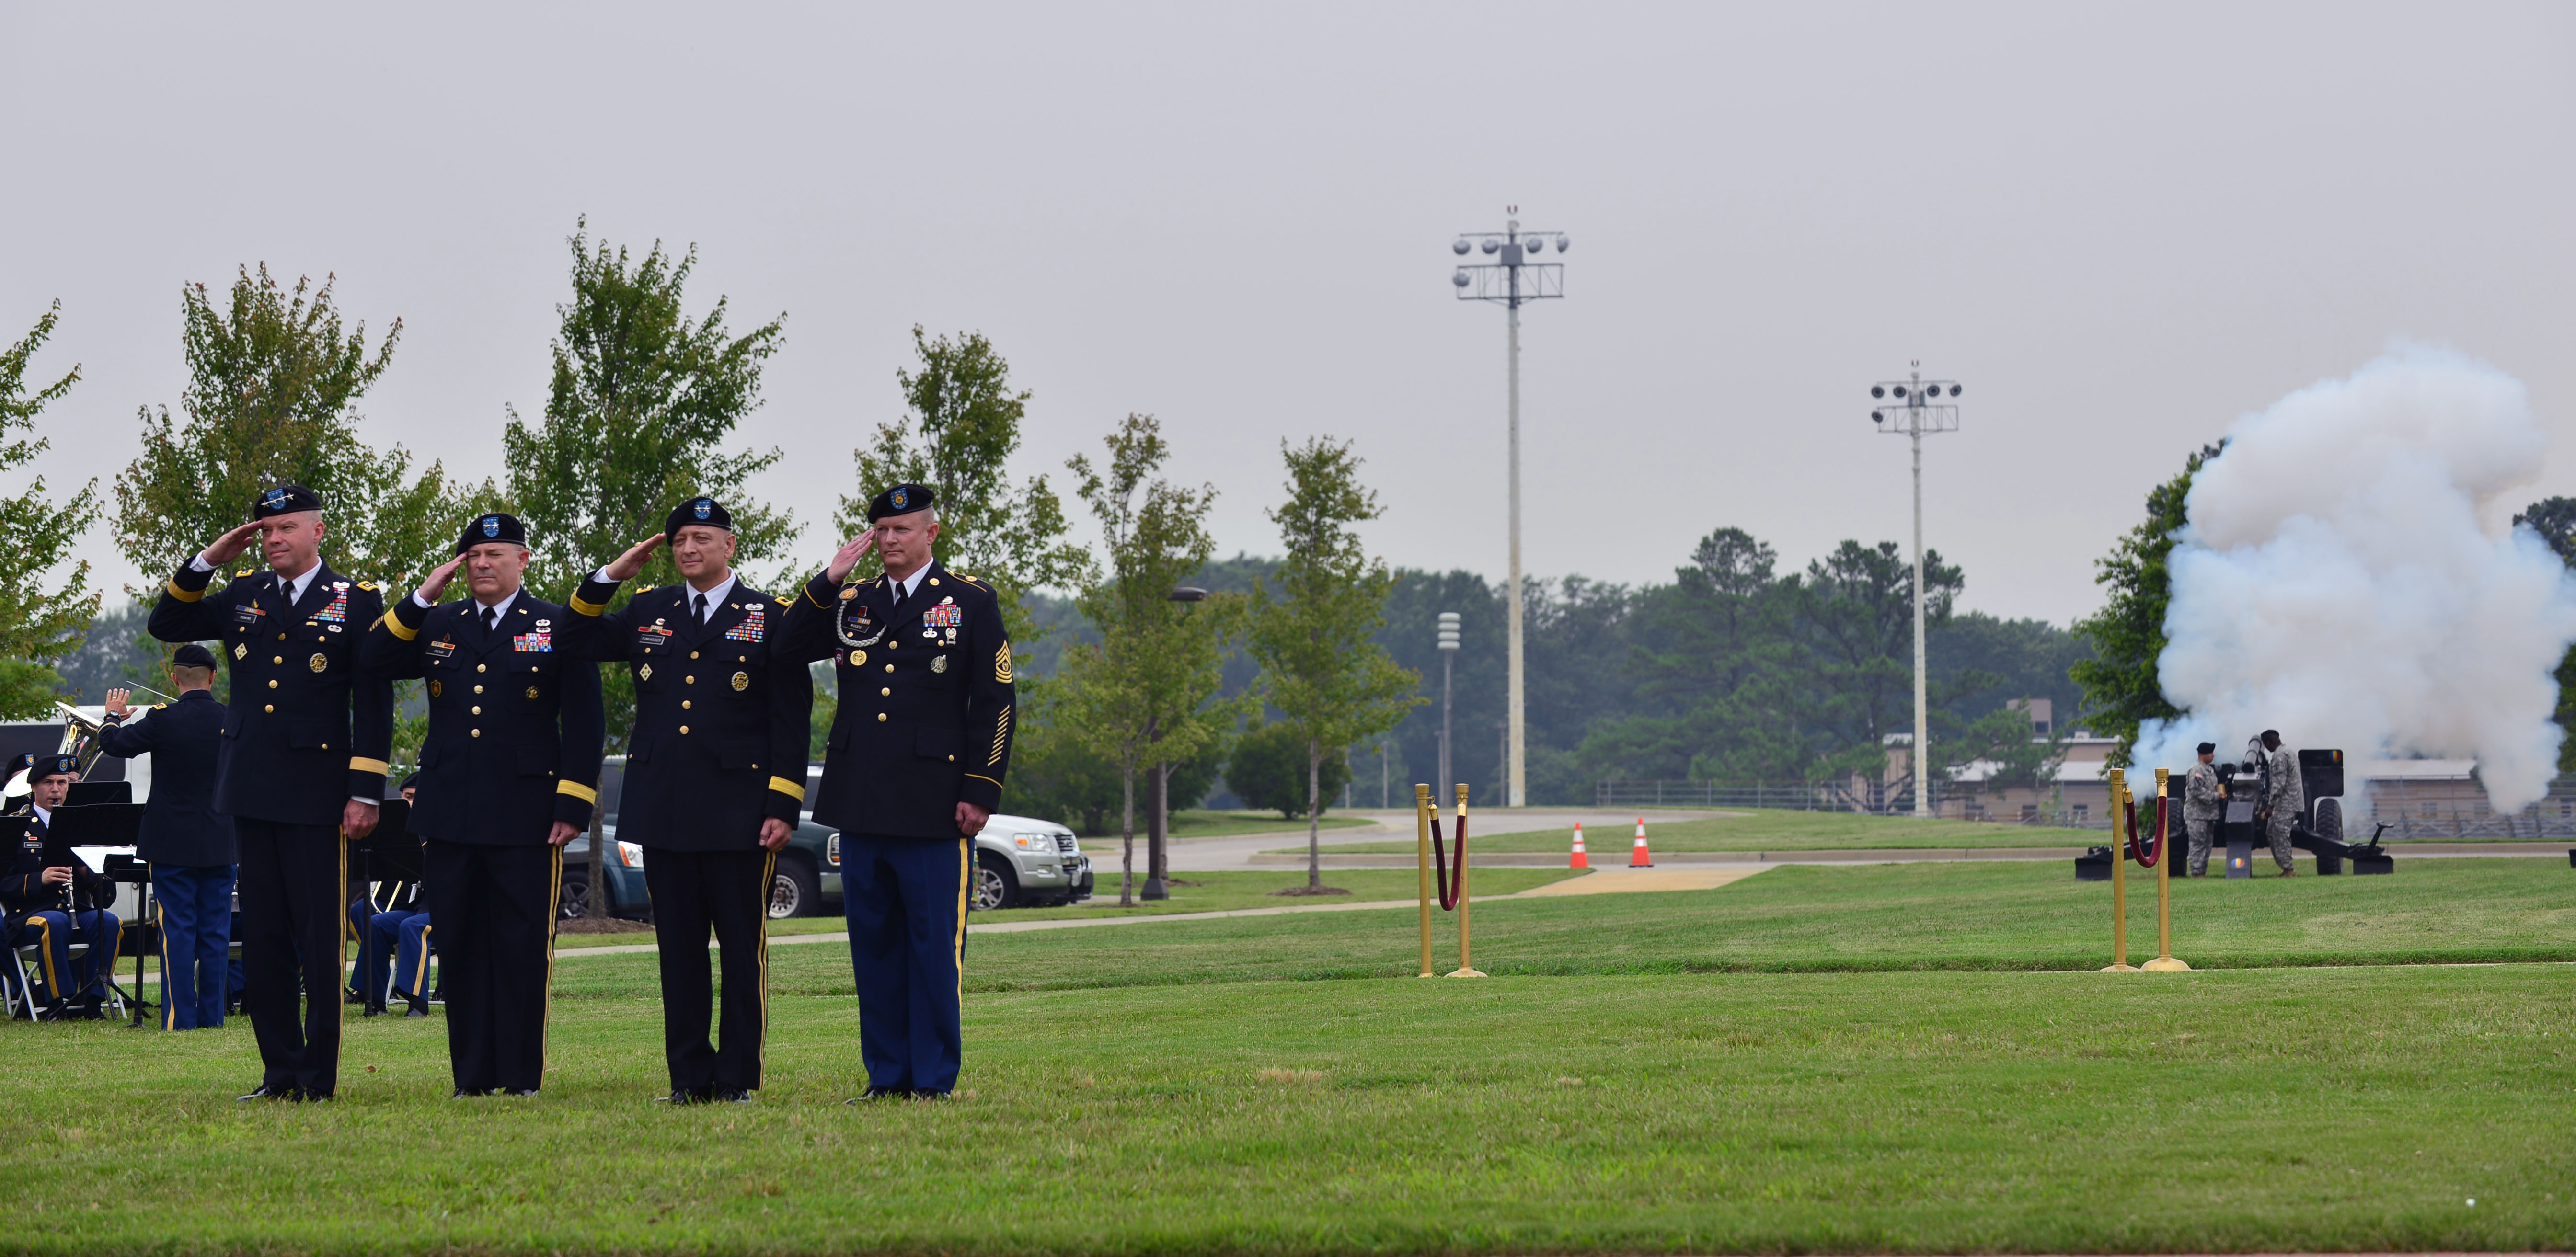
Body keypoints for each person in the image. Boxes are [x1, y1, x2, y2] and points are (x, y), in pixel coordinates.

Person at [559, 496, 811, 1105]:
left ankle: (736, 1077)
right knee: (678, 951)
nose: (689, 549)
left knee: (741, 951)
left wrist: (783, 802)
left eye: (702, 538)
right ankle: (688, 1077)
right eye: (679, 541)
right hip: (665, 807)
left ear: (730, 544)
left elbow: (790, 717)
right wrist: (611, 575)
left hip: (741, 812)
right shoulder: (649, 609)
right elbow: (573, 638)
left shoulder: (769, 615)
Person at [148, 484, 392, 1101]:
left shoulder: (355, 601)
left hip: (319, 793)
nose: (273, 538)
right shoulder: (244, 594)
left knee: (318, 938)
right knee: (263, 938)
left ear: (318, 531)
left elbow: (374, 700)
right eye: (264, 530)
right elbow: (167, 622)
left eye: (285, 527)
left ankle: (318, 1075)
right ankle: (279, 1071)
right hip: (251, 787)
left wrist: (366, 788)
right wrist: (211, 558)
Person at [782, 484, 1015, 1102]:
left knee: (934, 949)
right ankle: (887, 1076)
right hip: (860, 802)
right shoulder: (851, 601)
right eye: (881, 530)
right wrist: (828, 579)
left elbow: (995, 703)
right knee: (875, 950)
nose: (888, 541)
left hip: (936, 805)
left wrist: (981, 789)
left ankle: (933, 1079)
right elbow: (784, 647)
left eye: (902, 529)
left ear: (931, 534)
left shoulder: (967, 600)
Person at [360, 512, 602, 1098]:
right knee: (462, 945)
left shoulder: (556, 623)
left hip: (527, 814)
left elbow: (587, 720)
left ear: (524, 559)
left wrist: (573, 801)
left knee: (519, 945)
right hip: (450, 812)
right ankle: (471, 1076)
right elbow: (372, 660)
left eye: (496, 553)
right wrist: (420, 597)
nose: (482, 564)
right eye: (473, 555)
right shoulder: (439, 621)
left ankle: (520, 1075)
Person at [94, 644, 236, 1029]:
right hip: (223, 840)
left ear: (174, 678)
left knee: (177, 933)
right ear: (213, 677)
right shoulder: (231, 719)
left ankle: (180, 1020)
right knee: (215, 934)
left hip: (172, 843)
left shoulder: (163, 719)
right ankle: (213, 1020)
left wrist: (112, 717)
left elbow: (113, 743)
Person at [1, 754, 123, 1019]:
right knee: (54, 922)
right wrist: (39, 879)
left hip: (74, 912)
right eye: (48, 783)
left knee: (110, 922)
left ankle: (94, 1000)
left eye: (62, 783)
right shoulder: (15, 826)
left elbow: (107, 895)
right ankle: (60, 1001)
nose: (56, 790)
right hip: (28, 917)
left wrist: (87, 871)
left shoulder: (83, 826)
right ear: (33, 787)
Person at [353, 774, 430, 1017]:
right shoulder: (399, 832)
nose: (411, 804)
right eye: (407, 797)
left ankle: (417, 1002)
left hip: (451, 907)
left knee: (411, 926)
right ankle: (374, 998)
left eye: (416, 798)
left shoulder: (441, 827)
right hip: (418, 907)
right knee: (374, 923)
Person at [2260, 729, 2302, 876]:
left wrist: (2270, 806)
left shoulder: (2279, 756)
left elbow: (2278, 783)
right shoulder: (2288, 751)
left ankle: (2289, 870)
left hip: (2286, 802)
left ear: (2268, 742)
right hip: (2289, 801)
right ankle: (2286, 867)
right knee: (2272, 832)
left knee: (2280, 834)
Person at [2182, 742, 2222, 877]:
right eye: (2211, 753)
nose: (2214, 755)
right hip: (2197, 815)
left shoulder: (2208, 770)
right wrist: (2217, 796)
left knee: (2207, 845)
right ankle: (2197, 872)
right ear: (2204, 754)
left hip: (2208, 815)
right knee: (2198, 845)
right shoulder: (2197, 770)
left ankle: (2202, 872)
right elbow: (2198, 791)